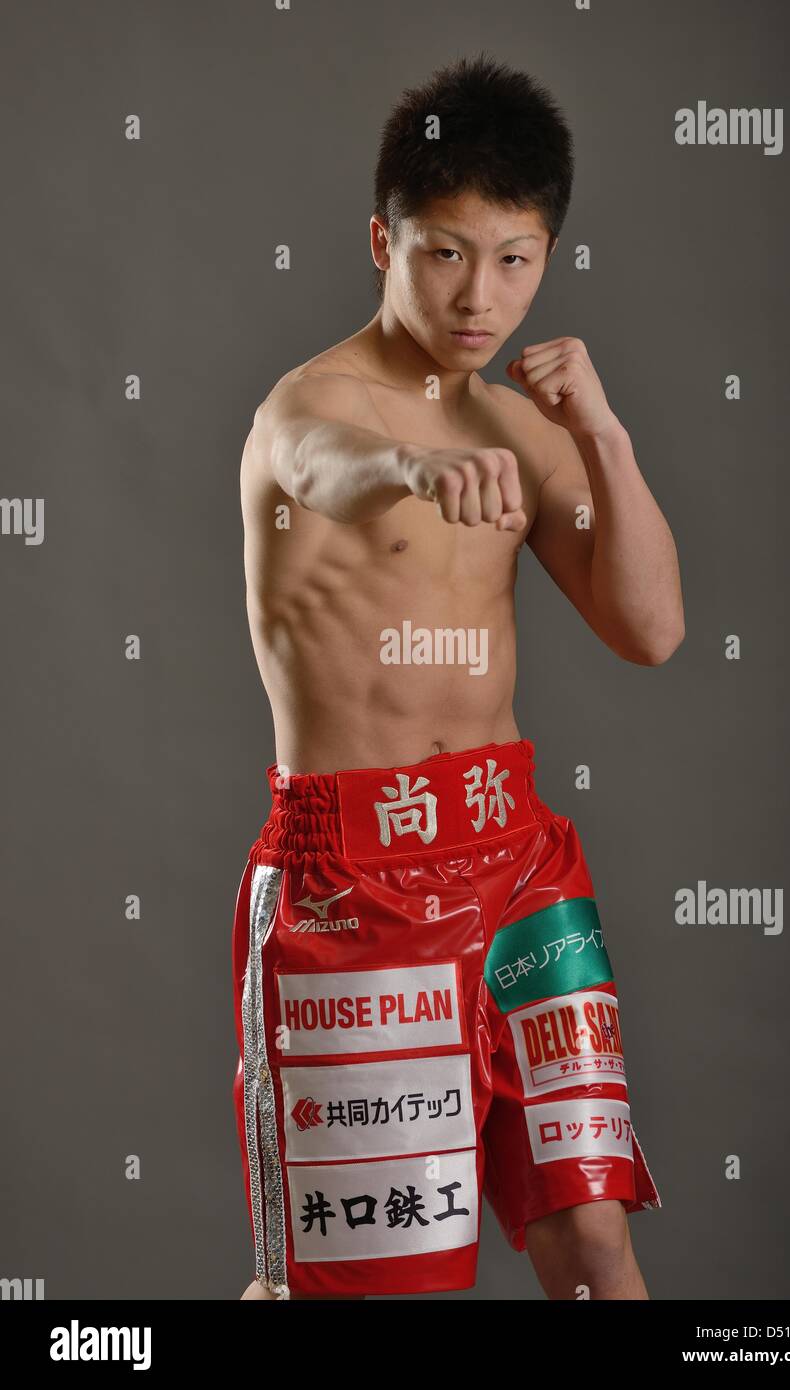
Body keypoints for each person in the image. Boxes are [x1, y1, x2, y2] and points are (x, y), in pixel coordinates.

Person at [232, 52, 683, 1302]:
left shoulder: (523, 431)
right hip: (351, 885)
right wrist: (411, 470)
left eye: (516, 257)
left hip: (518, 860)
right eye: (444, 251)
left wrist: (603, 431)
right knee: (375, 1286)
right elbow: (321, 463)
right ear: (384, 237)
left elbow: (650, 628)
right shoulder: (303, 406)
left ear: (546, 257)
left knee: (595, 1246)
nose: (481, 294)